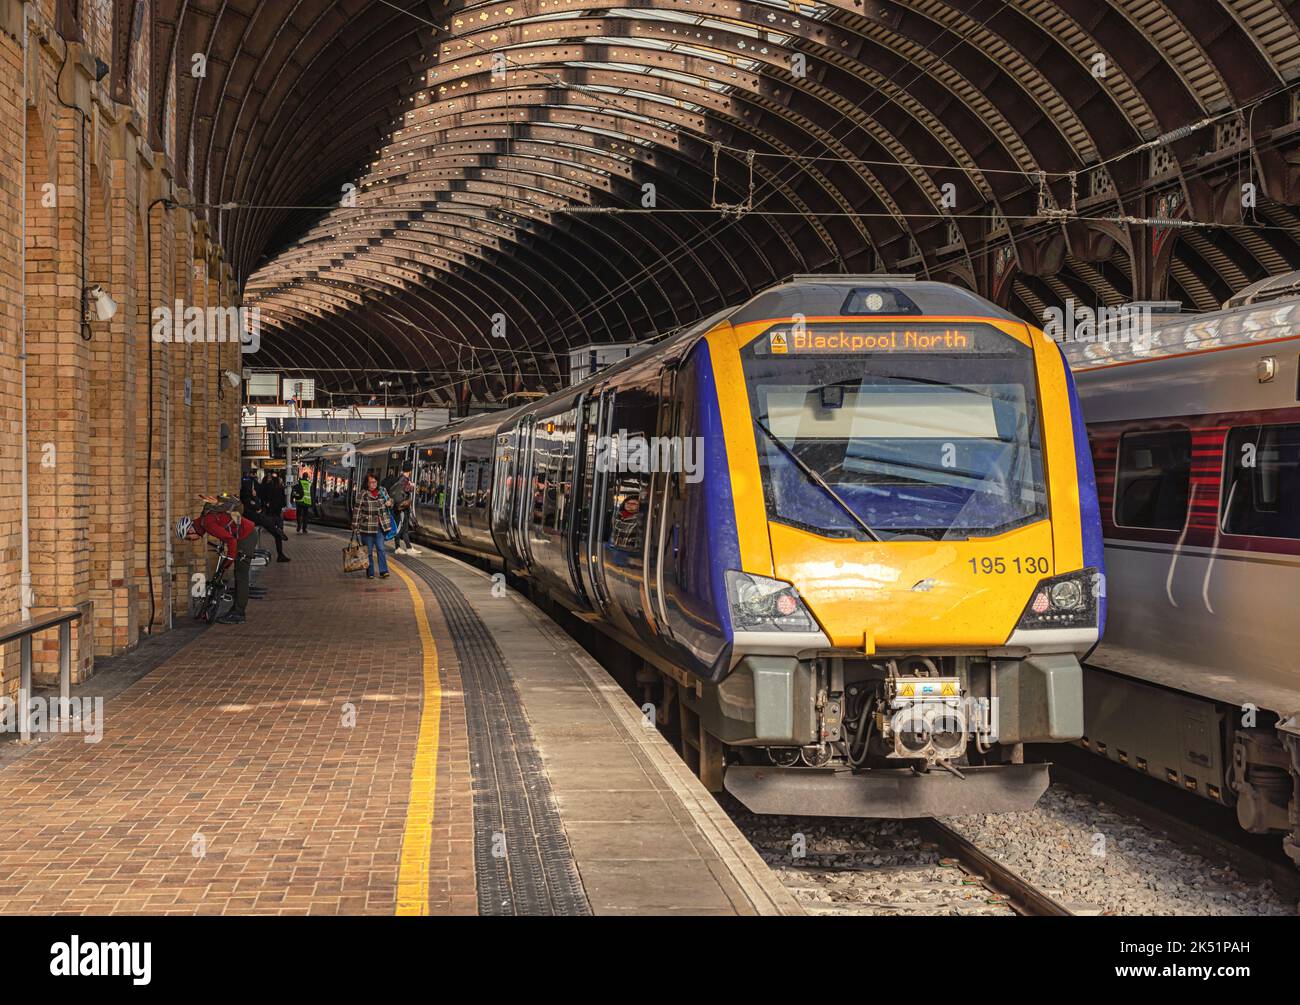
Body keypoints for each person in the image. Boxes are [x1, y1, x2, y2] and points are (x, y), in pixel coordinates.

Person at [182, 495, 255, 624]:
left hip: (245, 536)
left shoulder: (207, 523)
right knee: (239, 574)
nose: (191, 540)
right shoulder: (206, 519)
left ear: (190, 530)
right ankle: (236, 610)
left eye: (188, 538)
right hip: (244, 531)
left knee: (241, 575)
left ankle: (239, 613)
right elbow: (227, 525)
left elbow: (230, 540)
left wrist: (229, 560)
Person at [241, 468, 289, 562]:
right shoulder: (253, 487)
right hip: (261, 514)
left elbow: (260, 499)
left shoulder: (259, 486)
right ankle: (278, 533)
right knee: (272, 527)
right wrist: (256, 501)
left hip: (264, 512)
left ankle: (278, 532)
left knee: (272, 527)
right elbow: (254, 502)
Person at [351, 471, 393, 579]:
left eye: (375, 482)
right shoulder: (363, 494)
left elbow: (389, 501)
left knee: (381, 548)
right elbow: (357, 510)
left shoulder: (382, 491)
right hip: (367, 527)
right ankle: (370, 572)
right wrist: (355, 526)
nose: (373, 484)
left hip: (380, 526)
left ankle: (383, 571)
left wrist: (389, 503)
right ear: (367, 483)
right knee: (368, 551)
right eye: (371, 482)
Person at [389, 463, 422, 555]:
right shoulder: (403, 479)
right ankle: (398, 547)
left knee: (404, 527)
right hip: (402, 508)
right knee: (401, 527)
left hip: (402, 507)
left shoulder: (401, 478)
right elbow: (408, 489)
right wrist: (413, 486)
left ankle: (408, 547)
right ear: (410, 471)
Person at [259, 472, 291, 562]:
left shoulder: (265, 486)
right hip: (276, 514)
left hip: (267, 514)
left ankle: (278, 531)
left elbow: (261, 497)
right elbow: (283, 502)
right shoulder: (279, 488)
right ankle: (280, 554)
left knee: (275, 533)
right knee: (278, 535)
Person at [292, 468, 313, 534]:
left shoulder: (299, 482)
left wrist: (292, 498)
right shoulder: (309, 483)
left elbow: (294, 489)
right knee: (305, 516)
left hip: (299, 501)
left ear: (302, 476)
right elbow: (311, 493)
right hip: (307, 502)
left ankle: (299, 526)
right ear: (307, 477)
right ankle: (304, 529)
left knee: (298, 514)